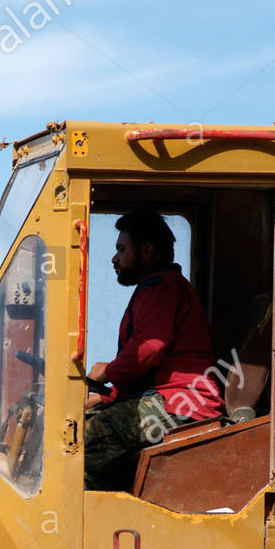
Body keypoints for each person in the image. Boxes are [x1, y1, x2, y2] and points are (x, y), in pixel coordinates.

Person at [84, 209, 223, 491]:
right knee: (80, 423)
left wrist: (107, 372)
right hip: (165, 399)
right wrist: (105, 397)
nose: (114, 258)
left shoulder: (162, 287)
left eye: (122, 249)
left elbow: (148, 349)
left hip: (183, 404)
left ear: (146, 250)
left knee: (87, 438)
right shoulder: (159, 287)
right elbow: (145, 374)